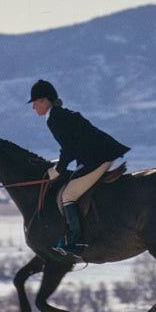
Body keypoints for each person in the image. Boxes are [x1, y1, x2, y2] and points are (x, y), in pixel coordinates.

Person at [28, 79, 130, 260]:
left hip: (99, 158)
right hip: (97, 155)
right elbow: (72, 146)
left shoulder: (55, 118)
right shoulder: (59, 115)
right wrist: (60, 164)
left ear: (45, 101)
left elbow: (68, 149)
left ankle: (78, 243)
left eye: (35, 103)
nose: (33, 108)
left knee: (68, 196)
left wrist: (58, 170)